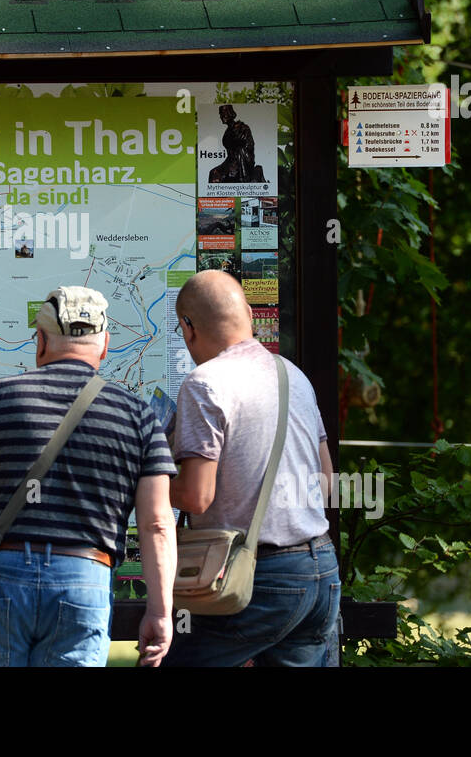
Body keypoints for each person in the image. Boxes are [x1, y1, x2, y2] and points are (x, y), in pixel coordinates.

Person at [0, 286, 177, 667]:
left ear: (39, 341)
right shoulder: (137, 415)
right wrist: (159, 611)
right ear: (104, 345)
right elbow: (157, 522)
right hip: (85, 575)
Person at [163, 269, 339, 667]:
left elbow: (195, 496)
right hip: (319, 566)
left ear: (188, 328)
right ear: (249, 315)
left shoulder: (204, 383)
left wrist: (149, 481)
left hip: (256, 576)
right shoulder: (293, 376)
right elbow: (326, 481)